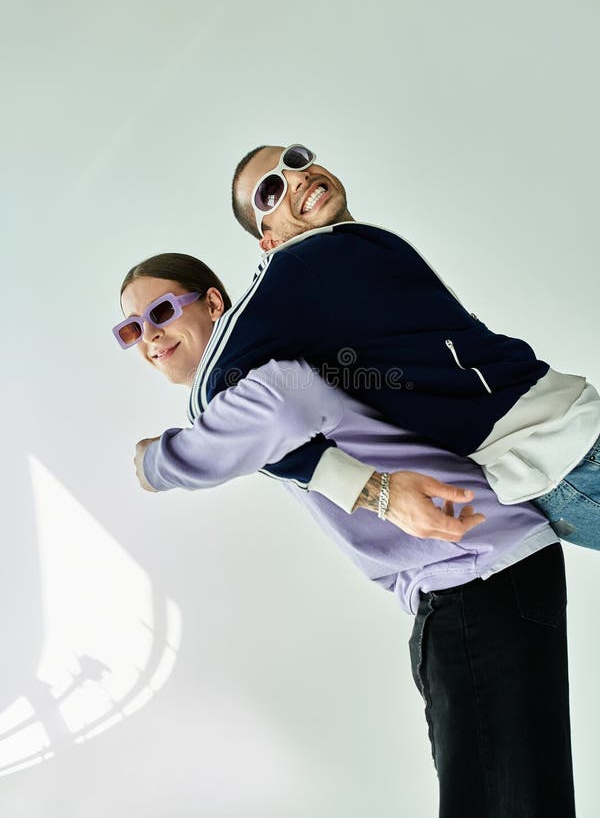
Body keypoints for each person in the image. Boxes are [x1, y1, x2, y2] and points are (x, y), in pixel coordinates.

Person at [115, 252, 575, 817]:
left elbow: (282, 400)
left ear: (214, 302)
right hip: (477, 571)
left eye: (161, 311)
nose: (150, 336)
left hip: (476, 569)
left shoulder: (237, 370)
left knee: (501, 798)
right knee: (513, 792)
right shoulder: (234, 386)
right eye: (132, 329)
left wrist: (154, 463)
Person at [181, 141, 600, 547]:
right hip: (563, 455)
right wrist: (355, 485)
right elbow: (207, 402)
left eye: (295, 160)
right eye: (270, 190)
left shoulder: (351, 249)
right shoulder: (296, 265)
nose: (297, 178)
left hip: (573, 432)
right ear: (268, 240)